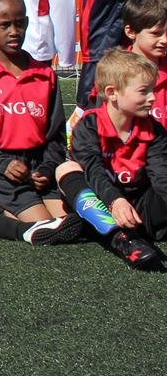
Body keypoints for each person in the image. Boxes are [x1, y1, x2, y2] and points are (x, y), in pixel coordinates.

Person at [0, 0, 87, 243]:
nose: (14, 31)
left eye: (19, 23)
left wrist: (48, 167)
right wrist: (2, 163)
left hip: (38, 167)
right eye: (4, 25)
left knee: (74, 223)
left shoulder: (45, 75)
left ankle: (12, 211)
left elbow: (56, 135)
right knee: (47, 228)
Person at [60, 48, 167, 268]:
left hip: (141, 207)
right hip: (103, 204)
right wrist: (115, 200)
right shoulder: (89, 126)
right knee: (66, 169)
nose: (152, 97)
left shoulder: (154, 129)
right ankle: (122, 239)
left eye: (152, 90)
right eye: (143, 91)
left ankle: (136, 234)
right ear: (112, 93)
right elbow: (94, 172)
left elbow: (161, 175)